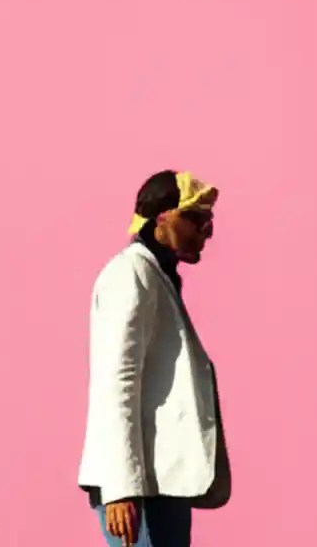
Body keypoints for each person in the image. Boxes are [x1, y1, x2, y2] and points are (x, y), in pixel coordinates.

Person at [77, 170, 231, 547]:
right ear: (161, 216)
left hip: (163, 481)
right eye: (195, 218)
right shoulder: (131, 274)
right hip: (138, 487)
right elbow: (118, 380)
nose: (207, 230)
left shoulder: (156, 275)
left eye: (209, 220)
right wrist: (120, 487)